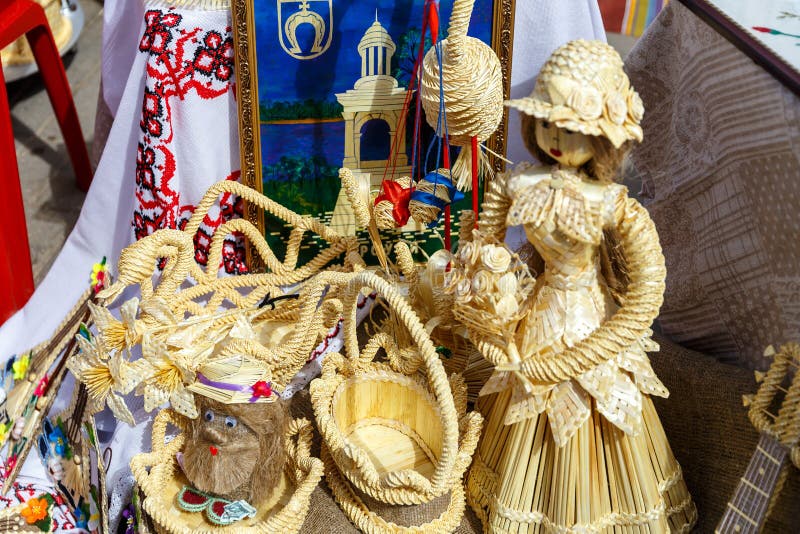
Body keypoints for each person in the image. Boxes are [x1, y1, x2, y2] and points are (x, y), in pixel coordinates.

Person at [464, 40, 697, 533]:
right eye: (546, 124)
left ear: (603, 142)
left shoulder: (614, 205)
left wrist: (591, 350)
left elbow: (647, 291)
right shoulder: (517, 184)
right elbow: (479, 249)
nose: (555, 140)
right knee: (525, 407)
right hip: (540, 308)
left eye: (572, 131)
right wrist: (482, 301)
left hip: (589, 317)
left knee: (595, 409)